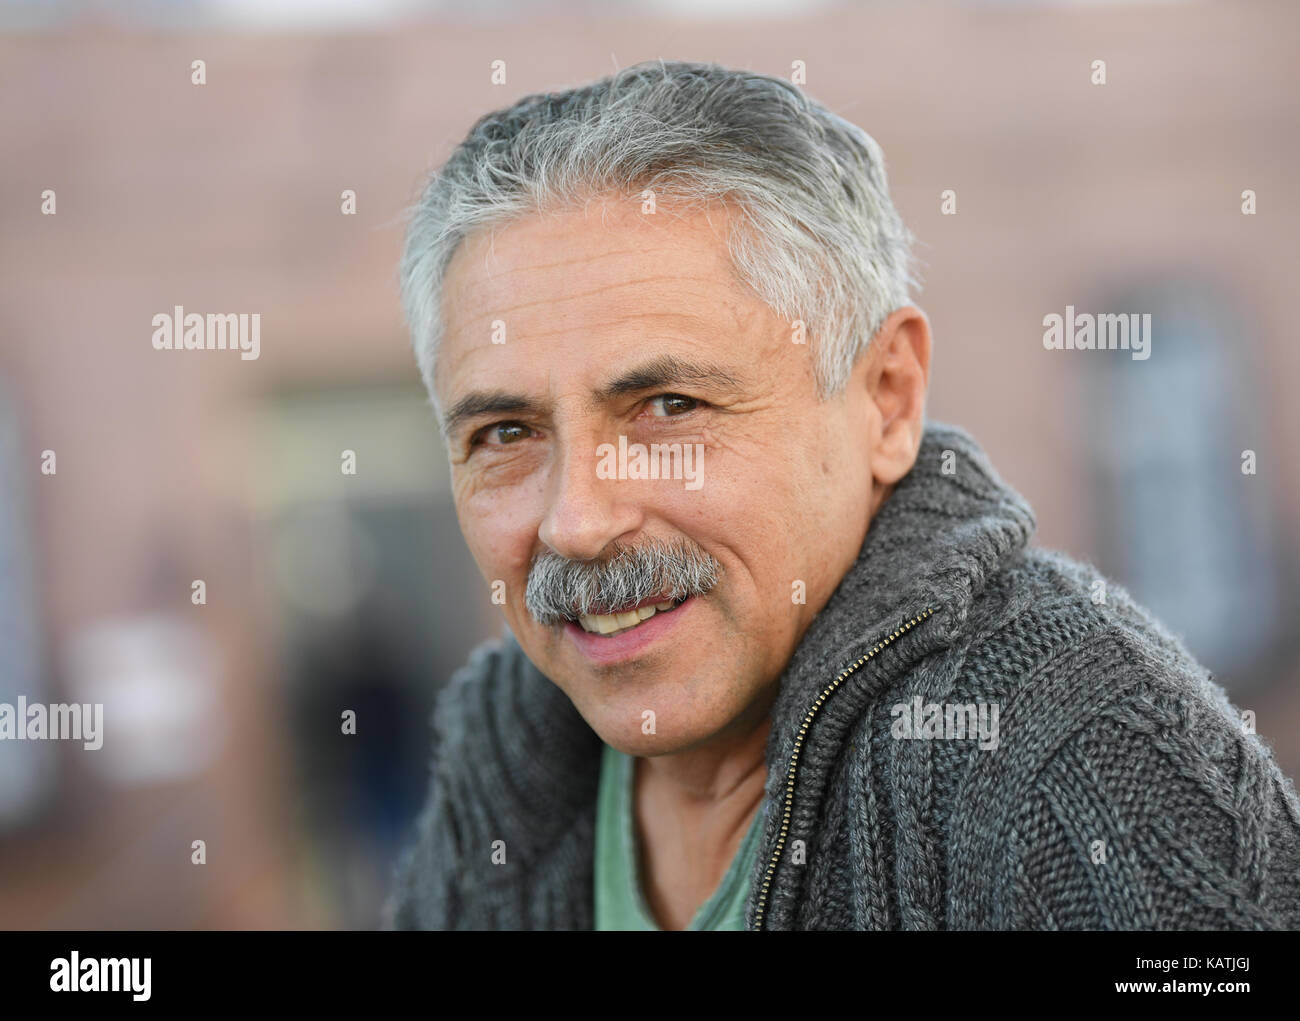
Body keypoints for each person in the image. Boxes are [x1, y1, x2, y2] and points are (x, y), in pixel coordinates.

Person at [383, 60, 1300, 930]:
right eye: (506, 434)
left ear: (887, 398)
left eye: (669, 406)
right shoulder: (508, 740)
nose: (577, 522)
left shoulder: (1069, 754)